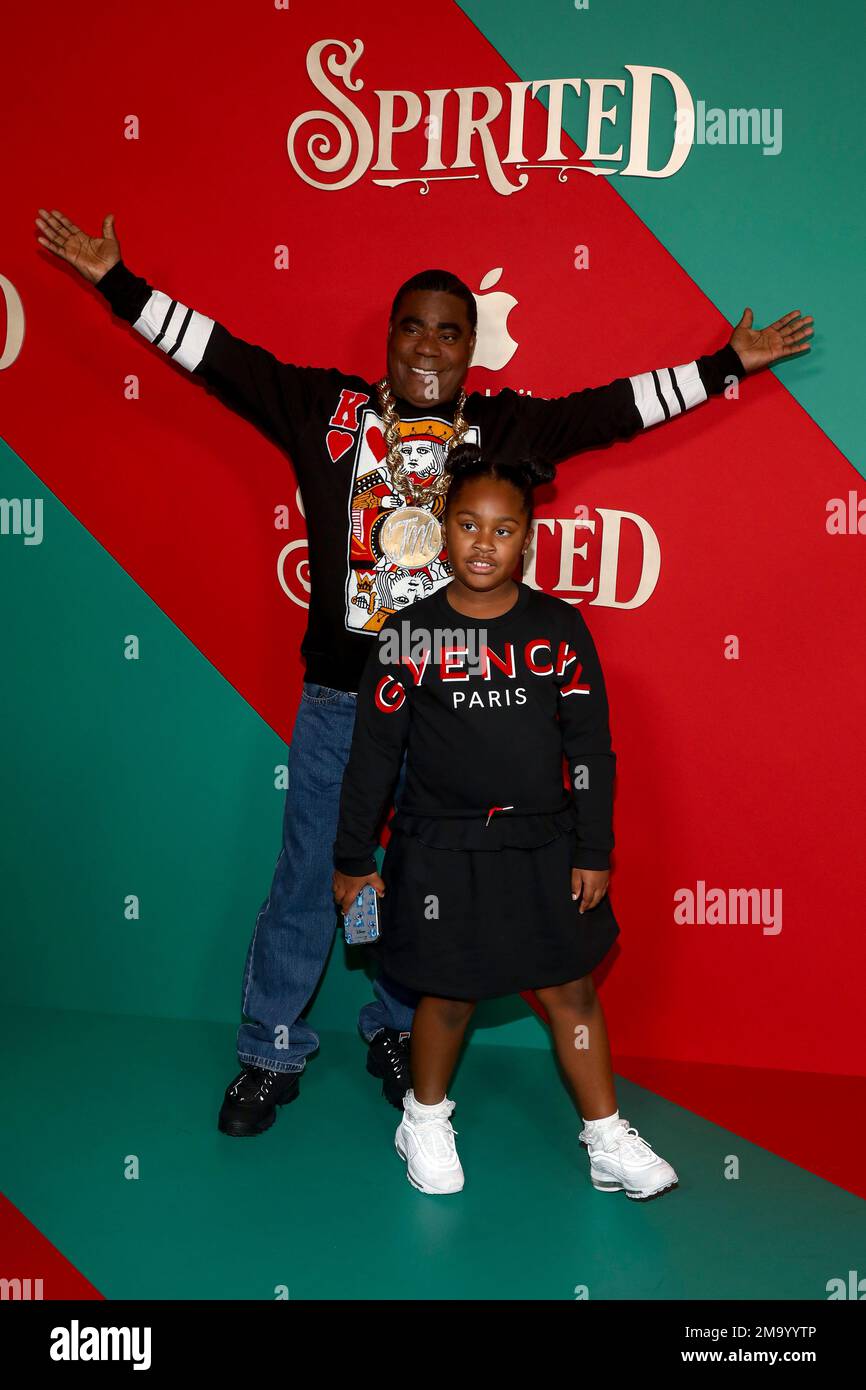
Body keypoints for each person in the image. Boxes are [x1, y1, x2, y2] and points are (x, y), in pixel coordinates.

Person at [34, 206, 812, 1138]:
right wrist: (117, 282)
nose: (430, 346)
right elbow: (218, 356)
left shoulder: (503, 427)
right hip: (341, 702)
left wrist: (726, 364)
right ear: (391, 339)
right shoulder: (326, 410)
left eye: (452, 331)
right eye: (415, 327)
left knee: (426, 880)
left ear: (472, 348)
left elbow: (613, 409)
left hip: (452, 712)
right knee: (315, 874)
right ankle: (269, 1048)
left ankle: (400, 1032)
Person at [332, 442, 675, 1199]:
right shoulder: (407, 636)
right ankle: (423, 1119)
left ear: (527, 536)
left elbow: (589, 746)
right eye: (466, 524)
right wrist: (355, 858)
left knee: (572, 992)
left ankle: (605, 1137)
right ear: (442, 530)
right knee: (448, 994)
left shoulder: (559, 628)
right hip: (439, 847)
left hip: (541, 842)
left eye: (503, 528)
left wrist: (595, 845)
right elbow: (372, 757)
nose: (483, 543)